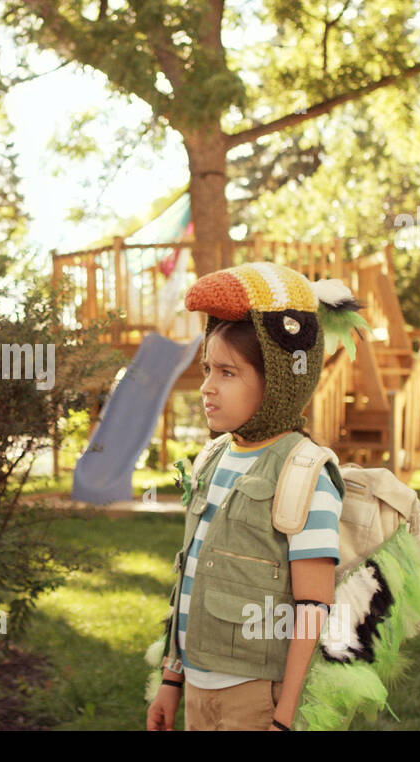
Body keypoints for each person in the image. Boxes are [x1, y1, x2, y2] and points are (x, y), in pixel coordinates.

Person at [146, 261, 358, 731]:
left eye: (227, 372)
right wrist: (172, 679)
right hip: (197, 687)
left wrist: (283, 716)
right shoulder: (212, 458)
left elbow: (312, 606)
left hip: (256, 699)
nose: (207, 387)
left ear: (280, 380)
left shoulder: (305, 472)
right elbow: (191, 578)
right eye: (207, 369)